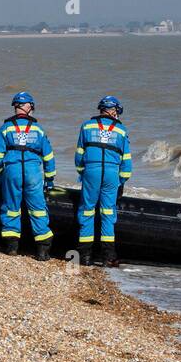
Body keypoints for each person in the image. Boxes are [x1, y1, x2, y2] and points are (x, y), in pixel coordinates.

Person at [0, 92, 56, 259]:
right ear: (28, 107)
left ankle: (12, 247)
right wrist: (49, 180)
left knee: (11, 207)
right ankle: (42, 250)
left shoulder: (6, 128)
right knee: (38, 209)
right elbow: (48, 156)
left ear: (15, 106)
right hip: (33, 172)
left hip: (12, 171)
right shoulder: (38, 129)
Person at [74, 96, 132, 266]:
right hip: (111, 174)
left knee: (87, 211)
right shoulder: (121, 130)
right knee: (108, 213)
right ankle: (108, 257)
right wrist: (121, 181)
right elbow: (126, 162)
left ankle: (84, 256)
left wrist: (84, 174)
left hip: (91, 171)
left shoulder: (86, 126)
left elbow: (79, 156)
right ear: (113, 110)